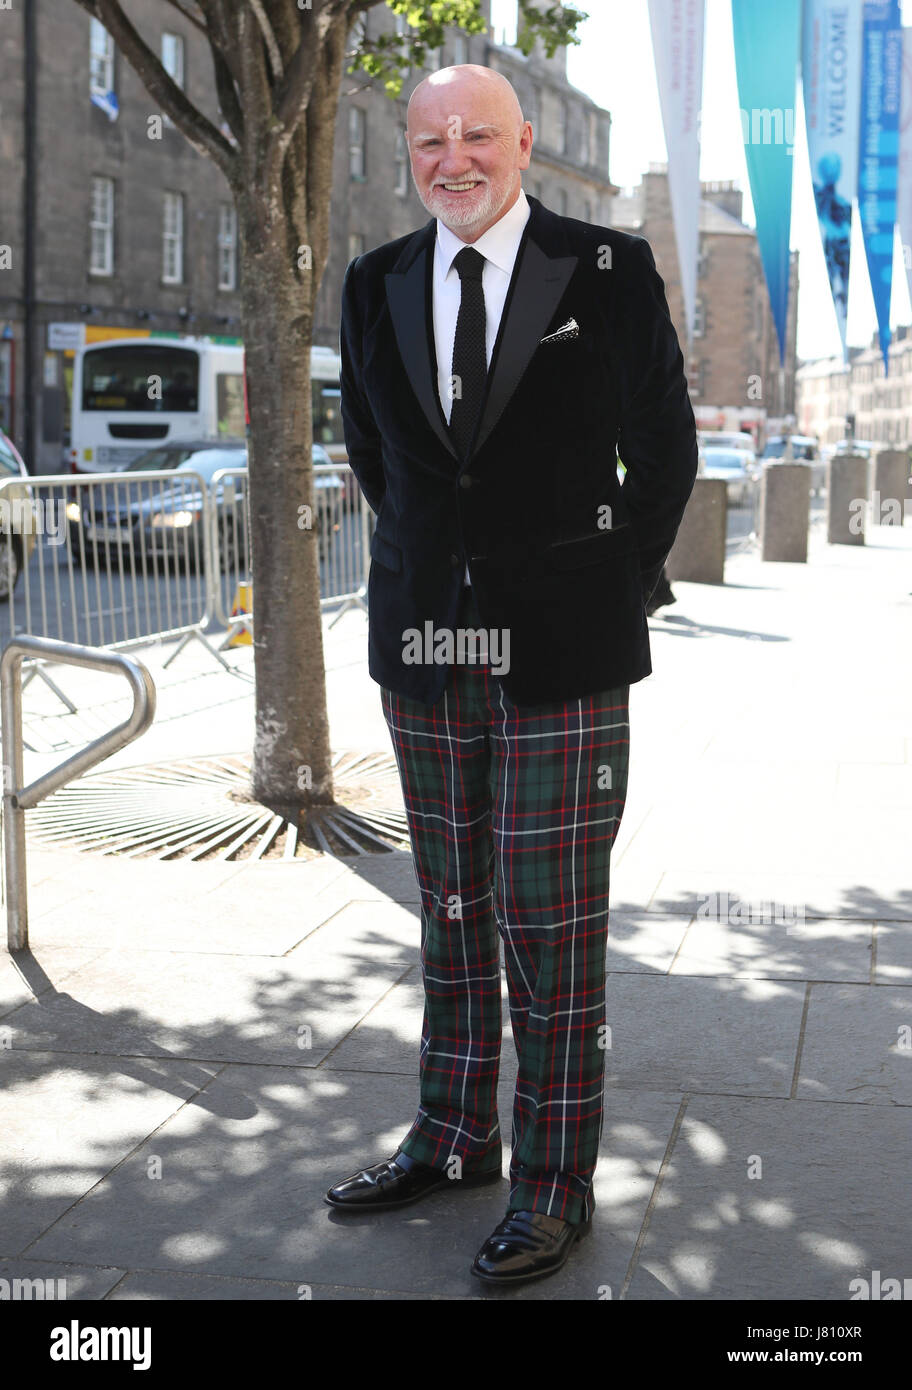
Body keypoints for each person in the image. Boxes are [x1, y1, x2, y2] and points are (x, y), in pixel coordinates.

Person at [329, 63, 697, 1288]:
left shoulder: (609, 269)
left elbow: (664, 446)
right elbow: (379, 459)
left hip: (564, 658)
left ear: (525, 141)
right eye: (431, 138)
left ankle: (553, 1183)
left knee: (551, 926)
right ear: (410, 151)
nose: (455, 158)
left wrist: (601, 580)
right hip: (428, 649)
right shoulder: (376, 281)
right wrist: (445, 576)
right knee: (449, 908)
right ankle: (450, 1134)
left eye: (478, 133)